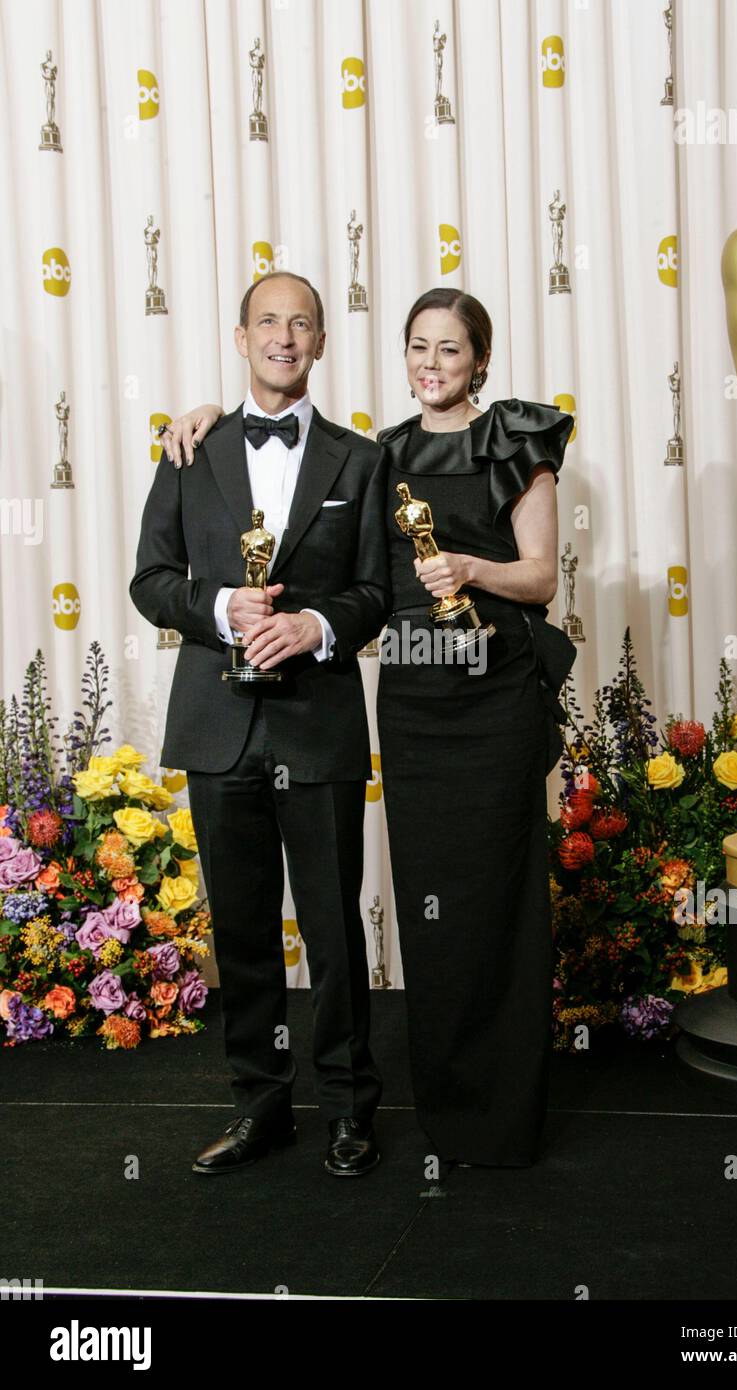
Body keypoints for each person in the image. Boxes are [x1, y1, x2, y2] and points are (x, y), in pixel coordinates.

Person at [161, 287, 575, 1167]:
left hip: (448, 706)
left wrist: (337, 619)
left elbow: (493, 582)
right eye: (419, 347)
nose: (433, 364)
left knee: (392, 917)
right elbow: (164, 578)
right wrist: (207, 424)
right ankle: (294, 1107)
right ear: (242, 338)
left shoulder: (427, 451)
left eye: (450, 350)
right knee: (295, 925)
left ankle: (414, 1113)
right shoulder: (334, 453)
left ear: (480, 361)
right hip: (378, 714)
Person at [130, 270, 389, 1178]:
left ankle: (352, 1110)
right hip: (219, 728)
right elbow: (150, 578)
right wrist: (222, 606)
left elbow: (376, 591)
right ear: (241, 339)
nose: (285, 337)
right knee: (240, 931)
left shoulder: (361, 460)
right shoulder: (190, 448)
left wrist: (315, 626)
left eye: (303, 324)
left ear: (321, 343)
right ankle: (260, 1107)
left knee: (332, 928)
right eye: (268, 322)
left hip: (316, 726)